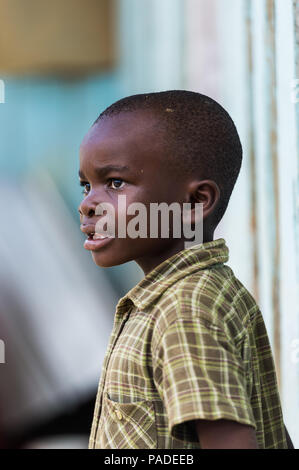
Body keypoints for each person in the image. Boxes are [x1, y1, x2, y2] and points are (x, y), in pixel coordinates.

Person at [78, 90, 293, 449]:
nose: (87, 204)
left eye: (114, 183)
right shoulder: (198, 292)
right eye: (86, 185)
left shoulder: (185, 309)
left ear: (194, 202)